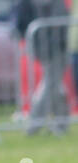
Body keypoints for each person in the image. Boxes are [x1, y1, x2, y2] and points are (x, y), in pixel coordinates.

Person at [13, 0, 70, 133]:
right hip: (53, 47)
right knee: (50, 85)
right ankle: (35, 124)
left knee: (55, 85)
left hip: (44, 45)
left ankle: (61, 124)